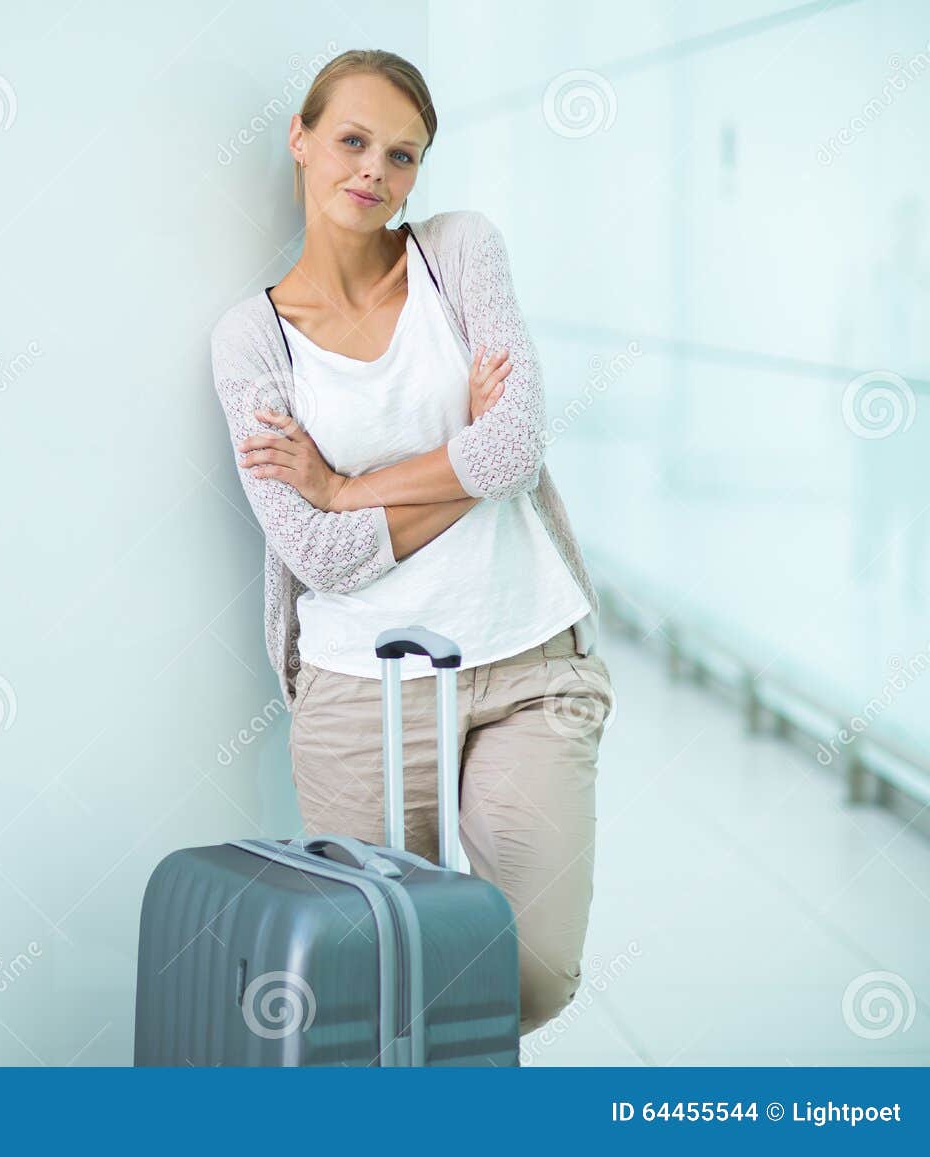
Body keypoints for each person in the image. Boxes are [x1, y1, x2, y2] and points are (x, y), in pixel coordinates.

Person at [209, 49, 616, 1036]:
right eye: (351, 141)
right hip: (361, 693)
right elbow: (318, 552)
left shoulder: (457, 252)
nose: (374, 172)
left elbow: (514, 447)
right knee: (375, 973)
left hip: (525, 662)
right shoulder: (251, 340)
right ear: (301, 142)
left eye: (402, 154)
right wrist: (457, 460)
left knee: (533, 971)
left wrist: (347, 484)